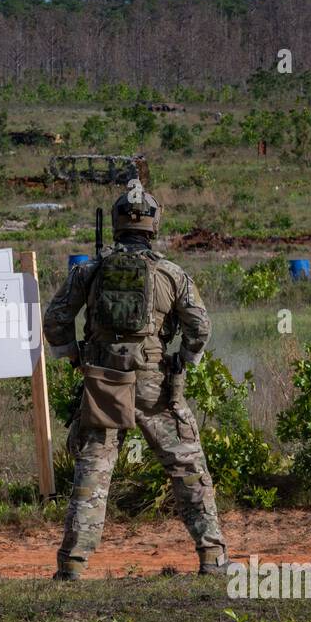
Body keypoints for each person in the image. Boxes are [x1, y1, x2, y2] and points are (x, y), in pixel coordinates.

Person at [44, 189, 228, 580]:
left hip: (103, 381)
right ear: (154, 225)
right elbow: (200, 327)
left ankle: (73, 564)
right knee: (186, 466)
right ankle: (212, 556)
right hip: (154, 383)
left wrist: (76, 358)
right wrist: (182, 360)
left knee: (93, 472)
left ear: (116, 223)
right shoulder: (171, 273)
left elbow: (55, 319)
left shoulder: (90, 270)